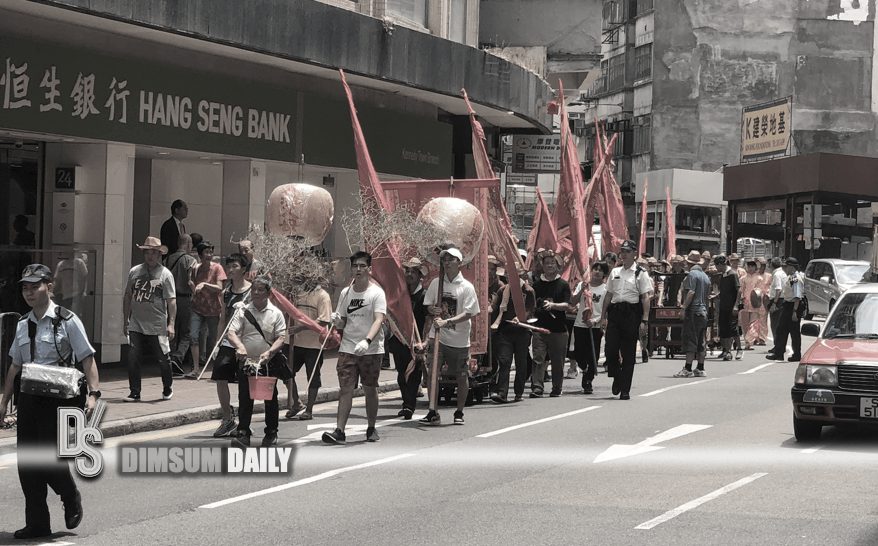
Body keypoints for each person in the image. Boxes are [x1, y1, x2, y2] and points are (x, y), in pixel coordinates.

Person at [0, 264, 100, 539]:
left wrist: (93, 394)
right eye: (25, 288)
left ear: (49, 287)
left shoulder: (67, 320)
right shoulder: (22, 324)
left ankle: (70, 496)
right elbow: (14, 366)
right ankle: (37, 523)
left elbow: (87, 357)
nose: (29, 293)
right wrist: (3, 401)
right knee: (28, 463)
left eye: (35, 286)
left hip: (59, 399)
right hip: (30, 398)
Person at [323, 251, 387, 444]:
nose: (358, 270)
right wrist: (337, 321)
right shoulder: (345, 293)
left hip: (371, 350)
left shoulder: (376, 293)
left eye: (362, 266)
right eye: (355, 266)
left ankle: (371, 427)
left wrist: (367, 341)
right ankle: (339, 431)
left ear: (369, 269)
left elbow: (379, 320)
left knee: (369, 388)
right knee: (346, 389)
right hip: (348, 348)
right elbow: (343, 322)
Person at [420, 247, 480, 425]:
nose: (447, 262)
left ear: (459, 262)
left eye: (451, 259)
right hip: (438, 336)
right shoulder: (436, 283)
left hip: (459, 340)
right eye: (444, 259)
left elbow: (470, 313)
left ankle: (459, 411)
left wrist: (447, 321)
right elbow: (428, 305)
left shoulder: (466, 287)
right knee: (433, 374)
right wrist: (433, 310)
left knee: (461, 375)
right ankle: (433, 411)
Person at [227, 276, 286, 447]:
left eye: (260, 290)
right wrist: (239, 346)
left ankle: (271, 432)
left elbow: (281, 337)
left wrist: (270, 352)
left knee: (270, 398)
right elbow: (231, 332)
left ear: (268, 293)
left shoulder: (276, 313)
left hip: (268, 363)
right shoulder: (243, 311)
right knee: (245, 397)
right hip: (247, 363)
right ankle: (243, 433)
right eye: (254, 289)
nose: (256, 293)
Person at [123, 236, 176, 402]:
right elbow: (128, 295)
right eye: (147, 253)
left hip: (157, 323)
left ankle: (167, 387)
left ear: (159, 255)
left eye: (153, 253)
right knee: (133, 356)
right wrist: (126, 318)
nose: (150, 256)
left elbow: (171, 300)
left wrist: (171, 324)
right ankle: (135, 392)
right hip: (136, 322)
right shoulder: (135, 271)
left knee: (162, 357)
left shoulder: (165, 274)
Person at [600, 240, 652, 400]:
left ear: (634, 254)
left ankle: (625, 389)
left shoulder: (641, 273)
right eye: (622, 251)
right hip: (615, 312)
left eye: (627, 251)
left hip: (631, 313)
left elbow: (645, 297)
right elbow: (608, 295)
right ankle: (617, 376)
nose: (624, 254)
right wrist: (603, 316)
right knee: (610, 349)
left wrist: (644, 320)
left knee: (628, 353)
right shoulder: (615, 272)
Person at [208, 253, 251, 437]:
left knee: (244, 382)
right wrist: (217, 343)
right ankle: (227, 418)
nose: (230, 270)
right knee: (220, 375)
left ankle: (244, 422)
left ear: (243, 269)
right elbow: (222, 318)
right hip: (228, 340)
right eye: (229, 266)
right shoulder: (226, 292)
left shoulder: (253, 291)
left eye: (234, 266)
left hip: (247, 342)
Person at [386, 258, 428, 419]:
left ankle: (409, 405)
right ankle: (406, 402)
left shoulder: (424, 296)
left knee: (414, 374)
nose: (409, 274)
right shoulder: (399, 295)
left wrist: (424, 340)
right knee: (401, 373)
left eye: (413, 271)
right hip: (399, 340)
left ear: (419, 275)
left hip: (416, 341)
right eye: (407, 271)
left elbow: (428, 320)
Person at [287, 278, 333, 421]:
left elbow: (324, 320)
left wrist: (301, 327)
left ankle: (309, 409)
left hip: (313, 344)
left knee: (312, 377)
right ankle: (296, 403)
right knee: (286, 373)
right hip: (295, 343)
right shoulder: (296, 293)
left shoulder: (322, 295)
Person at [490, 263, 536, 403]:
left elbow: (530, 309)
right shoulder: (502, 290)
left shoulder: (528, 290)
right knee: (504, 361)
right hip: (505, 330)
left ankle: (518, 392)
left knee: (521, 362)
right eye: (508, 275)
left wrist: (522, 317)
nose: (510, 277)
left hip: (522, 331)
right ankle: (502, 392)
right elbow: (495, 307)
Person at [528, 251, 571, 398]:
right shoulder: (536, 285)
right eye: (547, 263)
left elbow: (567, 305)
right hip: (539, 328)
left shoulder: (563, 285)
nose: (550, 265)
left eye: (553, 263)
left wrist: (553, 305)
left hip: (558, 329)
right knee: (538, 358)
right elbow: (531, 304)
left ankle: (557, 387)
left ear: (558, 266)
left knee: (557, 361)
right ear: (542, 266)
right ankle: (537, 387)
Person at [187, 241, 226, 378]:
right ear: (200, 255)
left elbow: (220, 287)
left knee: (213, 339)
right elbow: (193, 286)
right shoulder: (195, 268)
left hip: (213, 309)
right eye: (206, 253)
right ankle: (196, 368)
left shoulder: (217, 268)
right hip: (197, 307)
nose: (209, 255)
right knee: (193, 335)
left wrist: (204, 284)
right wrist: (193, 286)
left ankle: (215, 368)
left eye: (211, 252)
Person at [574, 261, 609, 394]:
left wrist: (594, 321)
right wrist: (581, 290)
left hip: (595, 326)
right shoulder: (583, 286)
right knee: (579, 353)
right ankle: (585, 368)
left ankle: (588, 380)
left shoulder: (605, 290)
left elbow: (605, 310)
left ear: (604, 274)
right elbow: (573, 300)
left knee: (592, 354)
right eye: (595, 269)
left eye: (601, 270)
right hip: (580, 324)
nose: (597, 272)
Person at [166, 234, 197, 376]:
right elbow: (191, 281)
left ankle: (169, 357)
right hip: (185, 299)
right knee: (187, 332)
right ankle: (177, 358)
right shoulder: (190, 260)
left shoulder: (167, 259)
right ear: (189, 244)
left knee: (171, 330)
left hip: (169, 299)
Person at [674, 261, 711, 377]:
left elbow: (691, 292)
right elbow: (707, 297)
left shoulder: (692, 275)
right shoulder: (706, 277)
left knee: (690, 339)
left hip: (694, 311)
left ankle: (688, 368)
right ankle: (700, 367)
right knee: (701, 340)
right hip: (703, 311)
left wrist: (683, 308)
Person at [768, 257, 804, 362]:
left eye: (786, 266)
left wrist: (794, 312)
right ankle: (779, 353)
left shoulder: (795, 278)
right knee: (781, 330)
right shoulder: (791, 277)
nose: (784, 269)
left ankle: (796, 355)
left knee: (794, 332)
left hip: (793, 306)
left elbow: (797, 296)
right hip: (788, 304)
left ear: (791, 267)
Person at [714, 255, 743, 361]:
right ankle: (726, 350)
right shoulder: (723, 275)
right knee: (724, 328)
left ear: (721, 265)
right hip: (723, 305)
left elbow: (739, 290)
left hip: (731, 306)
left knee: (733, 329)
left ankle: (739, 349)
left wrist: (736, 305)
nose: (716, 268)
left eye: (717, 266)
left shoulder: (732, 274)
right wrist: (717, 295)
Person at [741, 258, 765, 349]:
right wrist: (742, 299)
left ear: (755, 268)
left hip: (755, 303)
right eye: (749, 266)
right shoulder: (743, 278)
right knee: (745, 323)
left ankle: (749, 340)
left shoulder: (759, 278)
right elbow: (741, 290)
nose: (750, 268)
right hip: (745, 302)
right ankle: (747, 341)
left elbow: (761, 291)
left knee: (754, 323)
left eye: (752, 266)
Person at [767, 257, 787, 348]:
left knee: (775, 324)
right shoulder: (783, 273)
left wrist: (774, 303)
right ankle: (779, 345)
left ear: (771, 265)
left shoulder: (776, 275)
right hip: (782, 300)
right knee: (780, 325)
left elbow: (778, 290)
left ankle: (777, 346)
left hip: (777, 300)